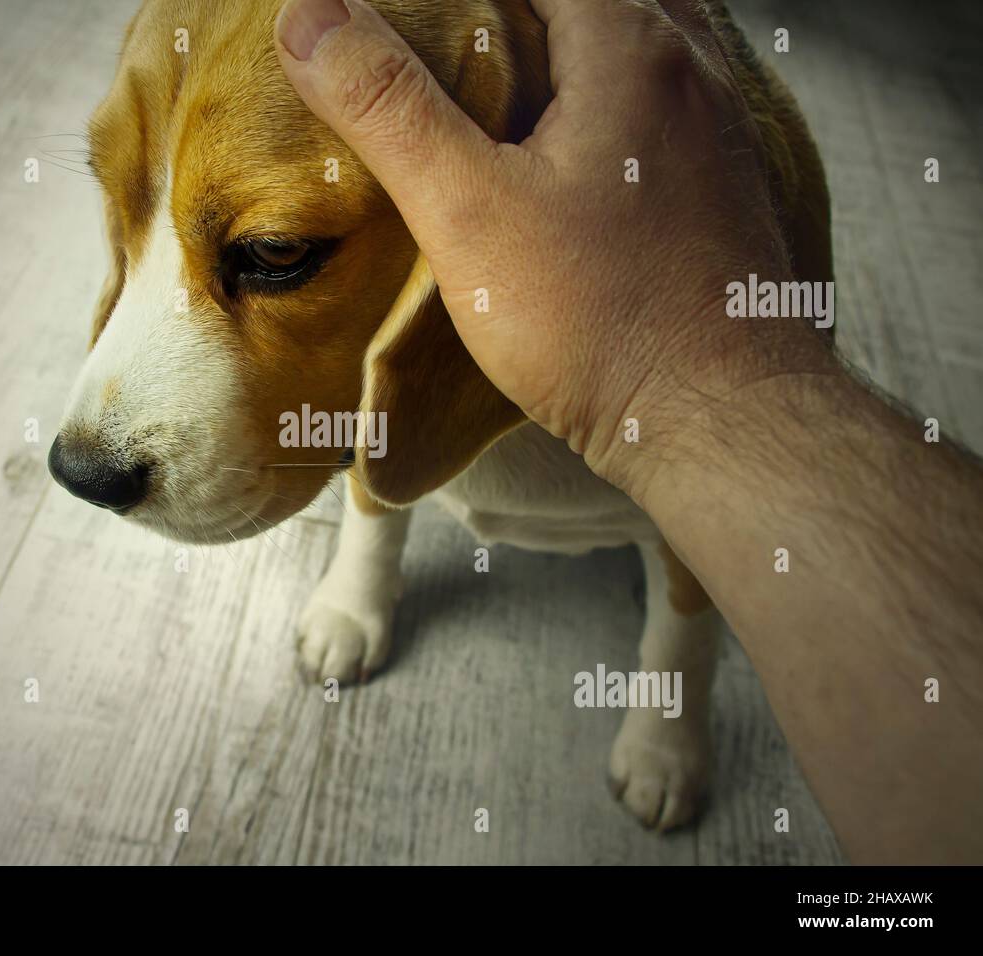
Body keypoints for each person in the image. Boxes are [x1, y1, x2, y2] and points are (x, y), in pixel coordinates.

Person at [274, 0, 983, 865]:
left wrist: (671, 700)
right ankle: (362, 571)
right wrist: (359, 584)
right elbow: (356, 386)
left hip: (659, 480)